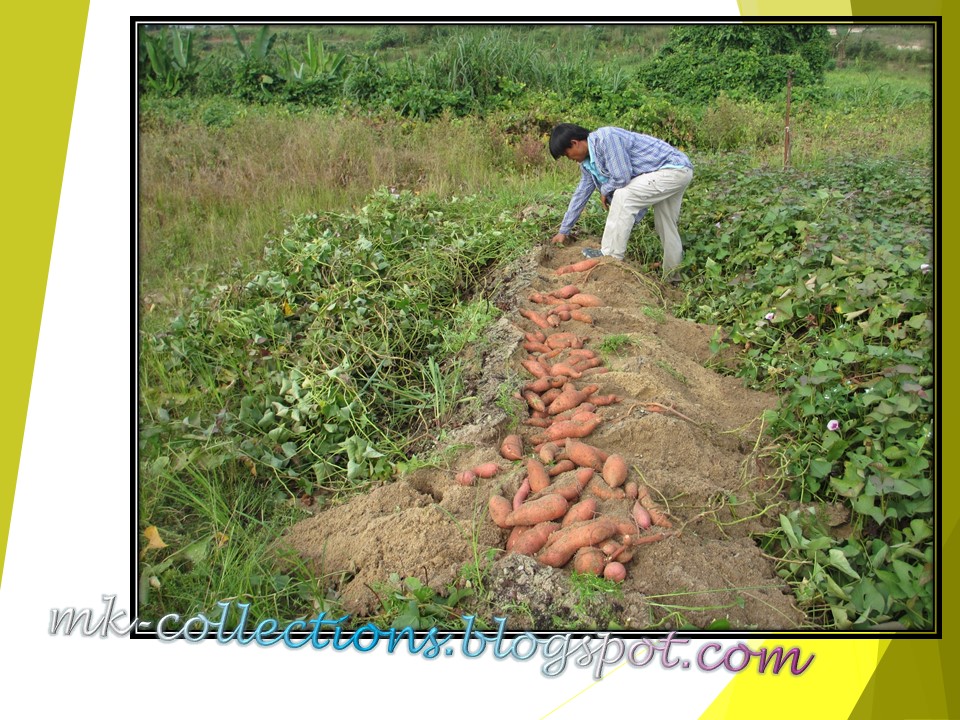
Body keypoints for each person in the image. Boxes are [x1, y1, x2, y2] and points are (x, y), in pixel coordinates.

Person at [548, 123, 694, 276]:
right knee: (665, 225)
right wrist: (564, 230)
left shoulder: (606, 138)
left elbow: (622, 177)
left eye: (567, 154)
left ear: (574, 143)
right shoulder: (587, 165)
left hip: (673, 169)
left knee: (623, 195)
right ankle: (673, 276)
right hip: (675, 171)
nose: (570, 159)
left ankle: (610, 256)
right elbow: (581, 194)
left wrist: (604, 191)